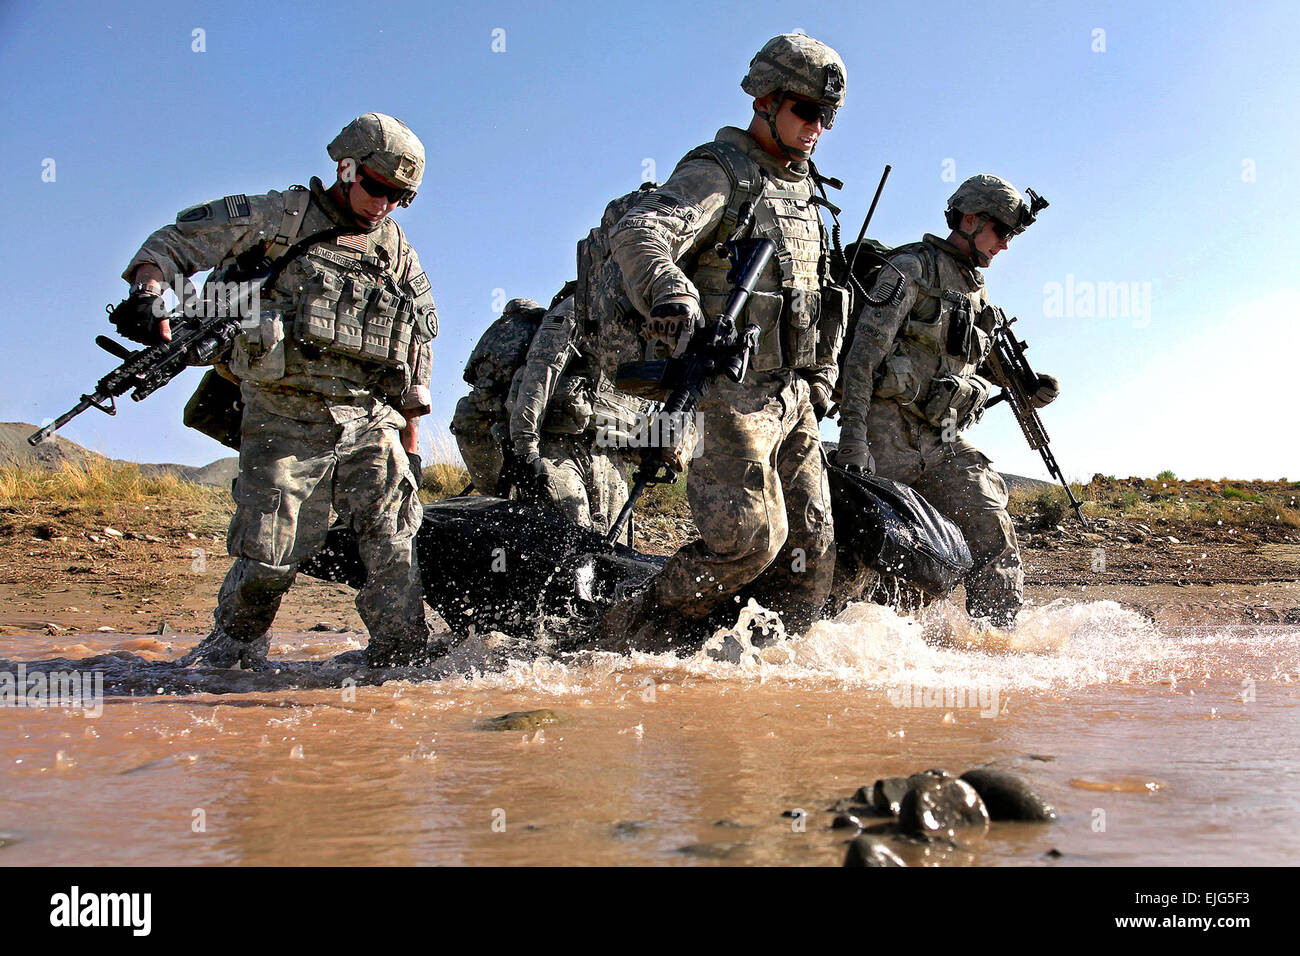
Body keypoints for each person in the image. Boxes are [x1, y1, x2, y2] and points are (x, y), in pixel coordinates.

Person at [116, 112, 440, 668]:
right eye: (378, 187)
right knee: (268, 560)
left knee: (395, 550)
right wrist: (150, 292)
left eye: (400, 197)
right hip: (283, 415)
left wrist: (409, 447)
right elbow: (173, 243)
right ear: (346, 168)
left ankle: (400, 665)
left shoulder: (397, 253)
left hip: (369, 419)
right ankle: (231, 657)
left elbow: (413, 358)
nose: (384, 203)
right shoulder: (279, 217)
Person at [599, 33, 852, 649]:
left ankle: (768, 660)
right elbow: (641, 232)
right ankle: (627, 631)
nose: (818, 126)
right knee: (747, 540)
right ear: (765, 99)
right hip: (728, 392)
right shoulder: (721, 173)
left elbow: (816, 298)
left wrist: (818, 378)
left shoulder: (805, 195)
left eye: (829, 115)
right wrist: (672, 293)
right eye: (807, 110)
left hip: (790, 394)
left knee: (812, 547)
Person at [835, 174, 1060, 629]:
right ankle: (845, 641)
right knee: (873, 552)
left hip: (943, 440)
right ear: (972, 219)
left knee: (990, 526)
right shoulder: (910, 268)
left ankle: (996, 642)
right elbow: (861, 359)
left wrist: (1030, 387)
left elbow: (981, 363)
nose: (1006, 245)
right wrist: (853, 442)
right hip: (886, 434)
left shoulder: (977, 291)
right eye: (1003, 232)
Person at [452, 291, 645, 535]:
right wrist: (525, 449)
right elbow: (539, 374)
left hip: (610, 455)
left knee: (615, 554)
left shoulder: (646, 320)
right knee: (570, 548)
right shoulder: (579, 308)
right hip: (559, 450)